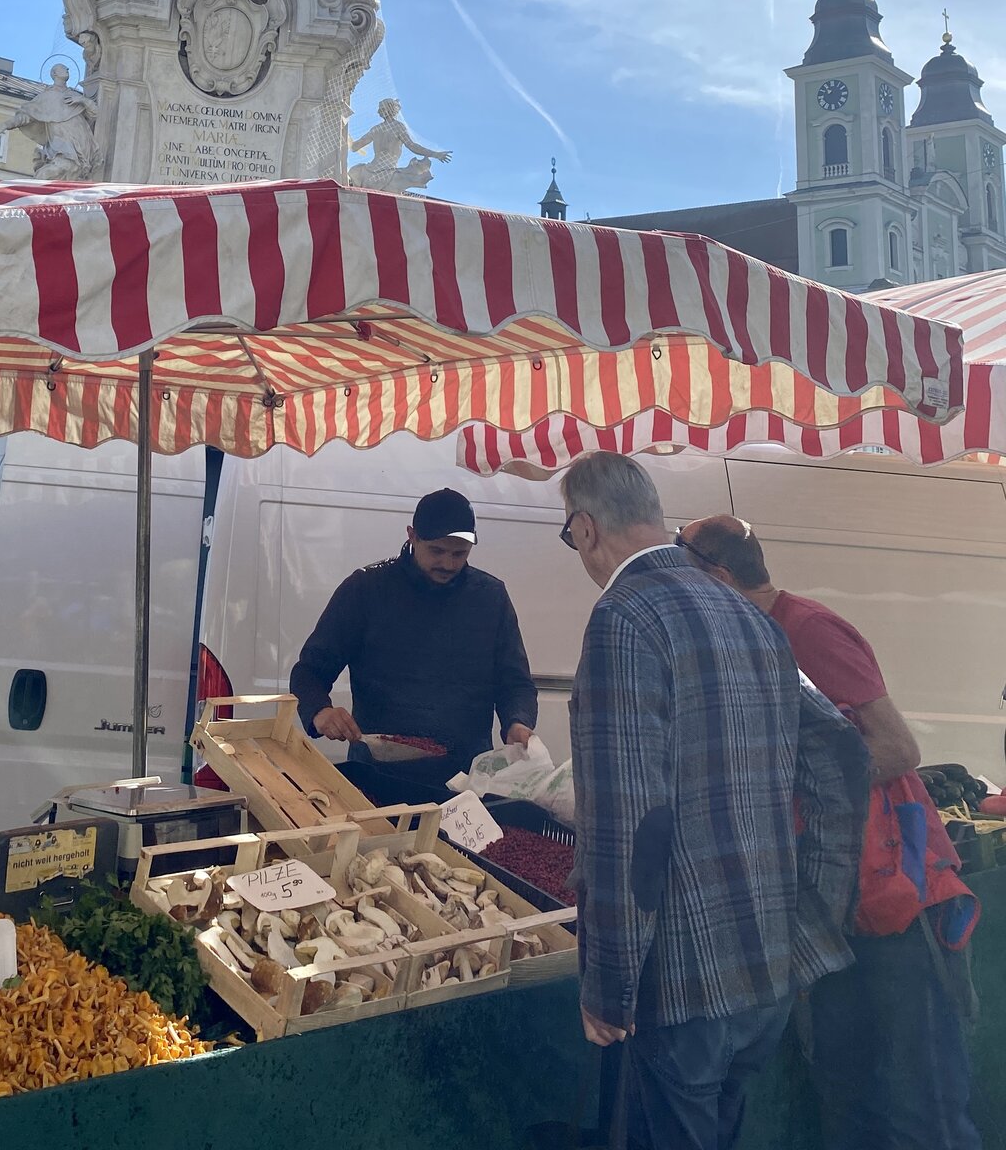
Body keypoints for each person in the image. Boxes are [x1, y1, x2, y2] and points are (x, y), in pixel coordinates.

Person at [560, 453, 868, 1150]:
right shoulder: (749, 613)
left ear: (584, 529)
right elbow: (843, 754)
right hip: (765, 972)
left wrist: (608, 984)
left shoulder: (623, 617)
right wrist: (813, 917)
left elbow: (626, 819)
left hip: (680, 986)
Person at [681, 515, 981, 1150]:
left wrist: (779, 785)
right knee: (844, 1096)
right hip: (829, 913)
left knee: (916, 1102)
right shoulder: (748, 641)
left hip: (896, 903)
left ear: (718, 577)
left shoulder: (809, 631)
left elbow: (898, 749)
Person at [289, 485, 538, 805]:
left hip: (463, 783)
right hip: (378, 780)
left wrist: (517, 722)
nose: (448, 564)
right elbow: (309, 670)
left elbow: (515, 681)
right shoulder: (366, 590)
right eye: (437, 551)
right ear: (412, 536)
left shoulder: (490, 598)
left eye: (459, 553)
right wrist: (320, 711)